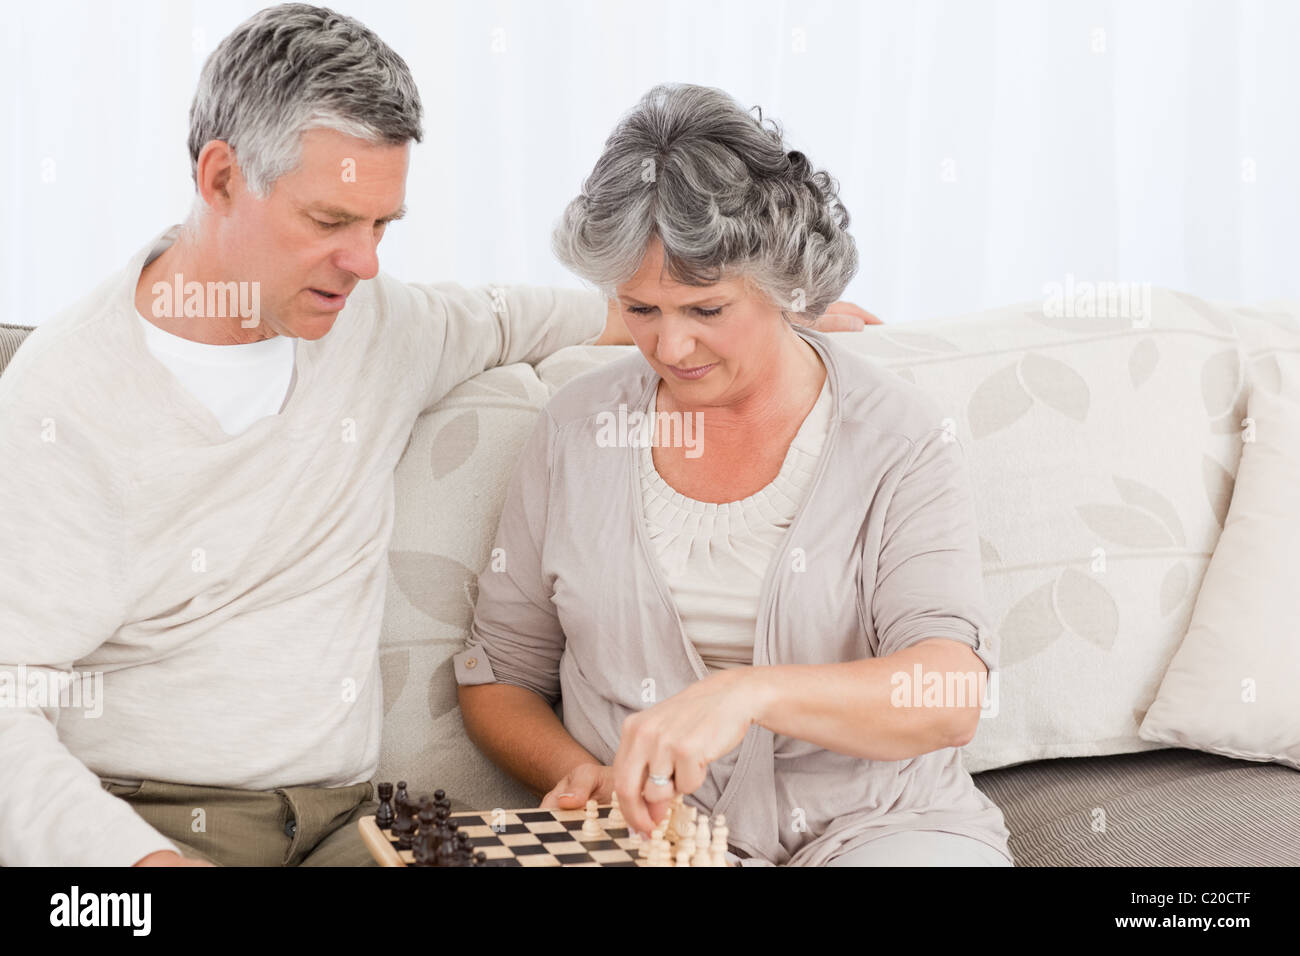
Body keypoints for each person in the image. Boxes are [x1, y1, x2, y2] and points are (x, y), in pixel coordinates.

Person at [0, 3, 627, 869]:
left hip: (346, 829)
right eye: (331, 222)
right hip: (149, 827)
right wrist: (137, 867)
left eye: (382, 226)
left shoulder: (376, 325)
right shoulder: (65, 397)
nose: (365, 262)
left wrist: (716, 312)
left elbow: (505, 314)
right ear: (221, 178)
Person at [456, 83, 1013, 866]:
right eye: (641, 311)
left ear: (789, 288)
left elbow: (949, 694)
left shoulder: (897, 436)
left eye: (706, 311)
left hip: (882, 831)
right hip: (659, 844)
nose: (671, 348)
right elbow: (498, 674)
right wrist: (587, 775)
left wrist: (748, 695)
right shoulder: (577, 432)